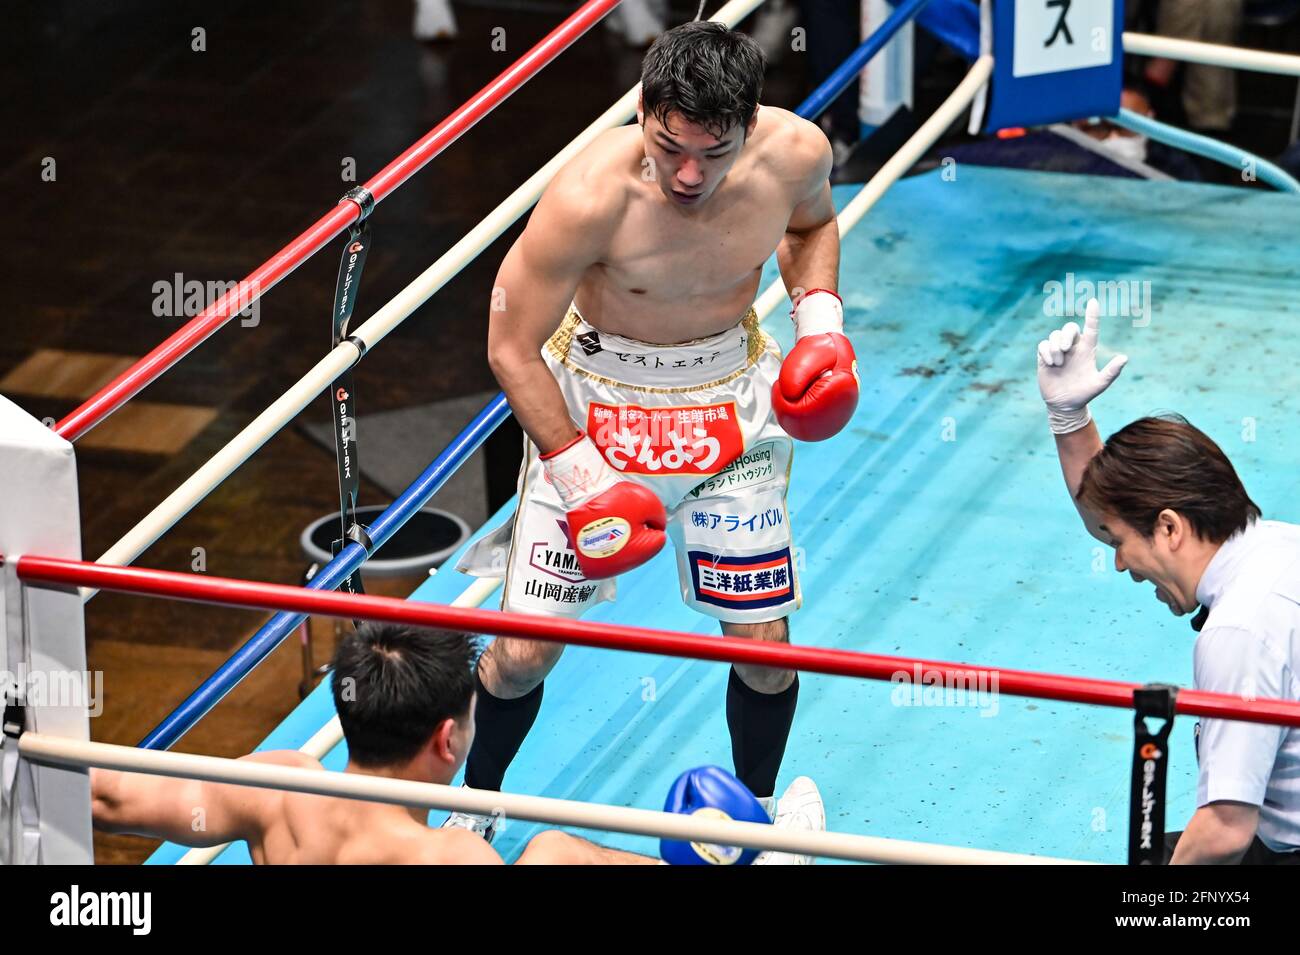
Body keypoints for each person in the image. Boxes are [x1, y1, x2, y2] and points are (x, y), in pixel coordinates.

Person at [453, 20, 852, 849]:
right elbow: (508, 344)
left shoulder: (795, 154)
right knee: (523, 652)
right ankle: (477, 799)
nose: (688, 173)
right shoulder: (588, 195)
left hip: (726, 412)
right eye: (670, 147)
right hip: (598, 404)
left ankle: (748, 818)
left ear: (751, 121)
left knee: (767, 650)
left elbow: (811, 228)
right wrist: (579, 471)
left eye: (713, 152)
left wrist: (821, 323)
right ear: (643, 112)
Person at [1035, 300, 1300, 864]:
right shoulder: (1274, 542)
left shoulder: (1238, 631)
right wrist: (1070, 422)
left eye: (1122, 546)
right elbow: (1113, 515)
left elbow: (1226, 830)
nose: (1118, 564)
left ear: (1170, 528)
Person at [91, 622, 656, 863]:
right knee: (555, 853)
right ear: (448, 739)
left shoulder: (278, 788)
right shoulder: (449, 855)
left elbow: (108, 797)